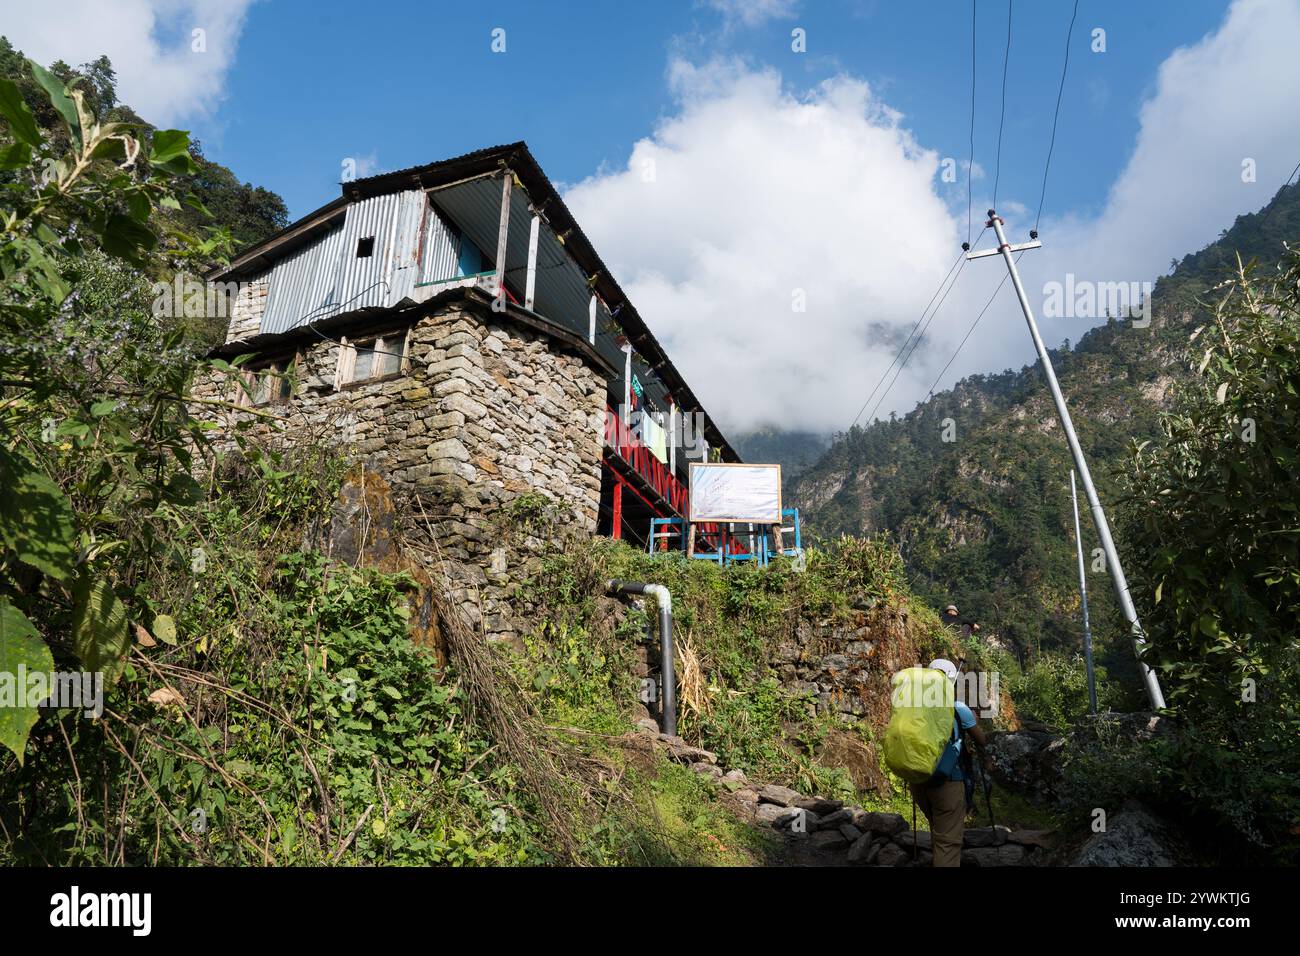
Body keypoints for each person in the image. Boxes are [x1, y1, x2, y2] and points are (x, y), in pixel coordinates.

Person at [908, 658, 990, 867]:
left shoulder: (914, 706)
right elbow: (982, 741)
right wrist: (973, 720)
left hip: (918, 780)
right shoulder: (958, 708)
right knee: (948, 842)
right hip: (948, 782)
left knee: (939, 828)